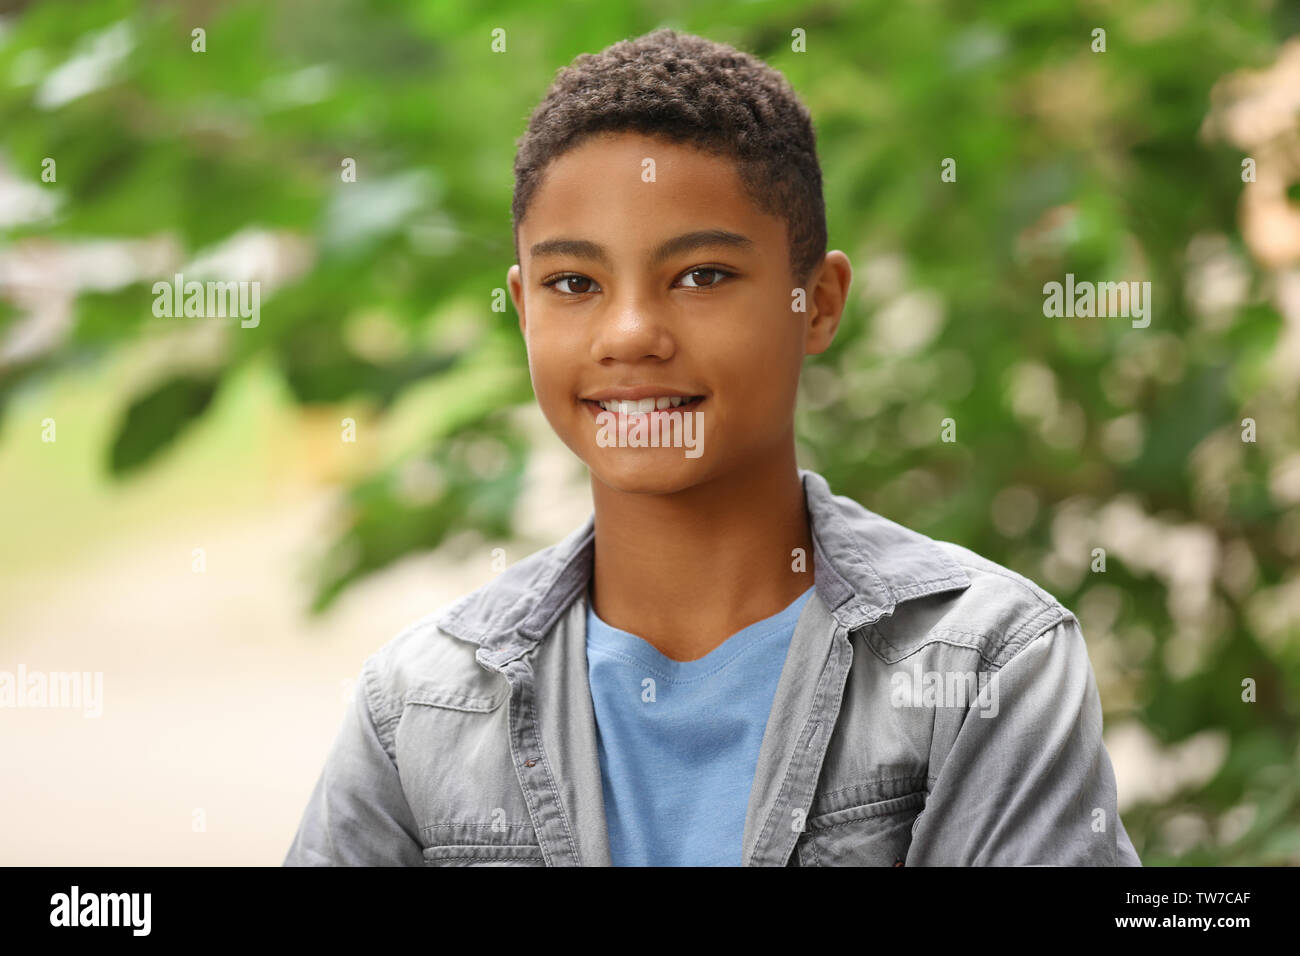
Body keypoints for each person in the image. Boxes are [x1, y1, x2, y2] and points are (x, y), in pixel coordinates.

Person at [284, 28, 1141, 867]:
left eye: (701, 276)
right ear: (521, 305)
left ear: (819, 300)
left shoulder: (984, 662)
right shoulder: (419, 706)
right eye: (573, 284)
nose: (628, 334)